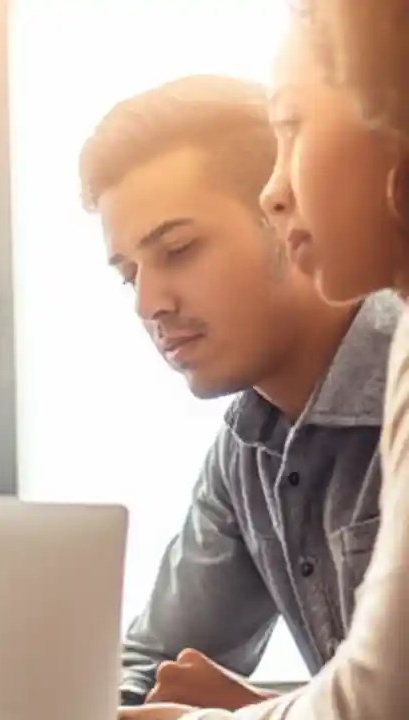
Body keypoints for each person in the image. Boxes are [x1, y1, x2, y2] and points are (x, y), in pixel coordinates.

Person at [119, 1, 409, 718]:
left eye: (178, 250)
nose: (148, 303)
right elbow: (153, 664)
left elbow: (378, 696)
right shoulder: (250, 444)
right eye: (128, 274)